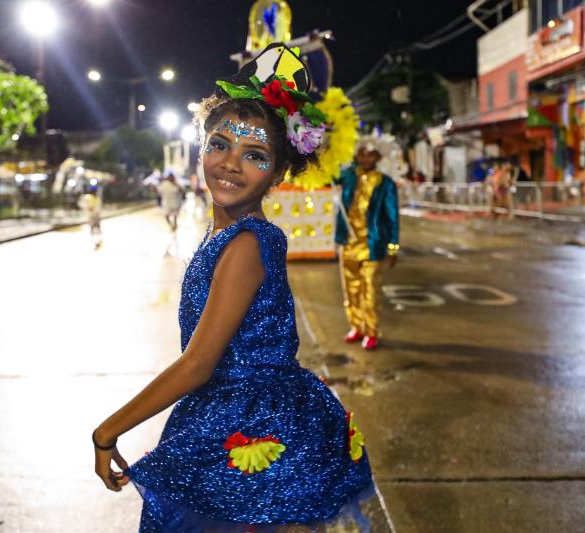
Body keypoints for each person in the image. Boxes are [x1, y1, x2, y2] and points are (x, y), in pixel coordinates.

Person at [92, 42, 374, 532]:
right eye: (220, 144)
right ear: (201, 147)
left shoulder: (247, 244)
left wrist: (107, 431)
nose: (229, 163)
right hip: (225, 414)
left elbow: (199, 363)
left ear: (279, 172)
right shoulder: (223, 233)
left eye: (255, 154)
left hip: (246, 427)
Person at [335, 132, 400, 351]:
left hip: (373, 244)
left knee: (370, 291)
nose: (365, 158)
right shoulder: (348, 176)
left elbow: (392, 216)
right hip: (349, 243)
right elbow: (329, 175)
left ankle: (371, 330)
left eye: (370, 155)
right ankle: (356, 326)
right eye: (362, 154)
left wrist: (393, 246)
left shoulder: (386, 184)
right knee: (351, 289)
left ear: (378, 157)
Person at [78, 183, 103, 250]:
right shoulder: (87, 197)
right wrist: (88, 208)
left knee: (97, 227)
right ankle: (93, 241)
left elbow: (99, 206)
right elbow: (82, 204)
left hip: (96, 215)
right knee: (92, 227)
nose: (94, 192)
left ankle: (98, 241)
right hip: (90, 215)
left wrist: (96, 210)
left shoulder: (97, 198)